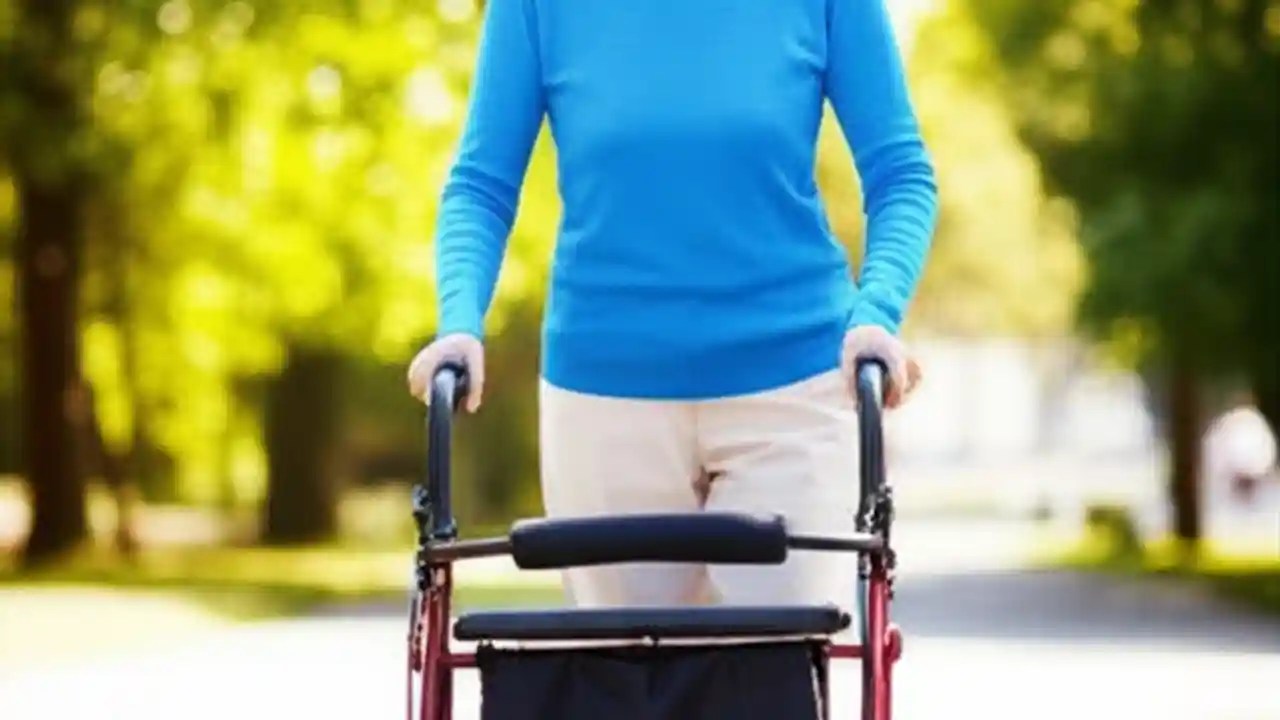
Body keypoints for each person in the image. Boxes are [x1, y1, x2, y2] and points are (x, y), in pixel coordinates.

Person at [408, 0, 936, 613]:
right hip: (604, 388)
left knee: (776, 669)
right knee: (627, 677)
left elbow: (900, 173)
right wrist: (459, 322)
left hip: (792, 382)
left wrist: (877, 310)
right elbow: (482, 184)